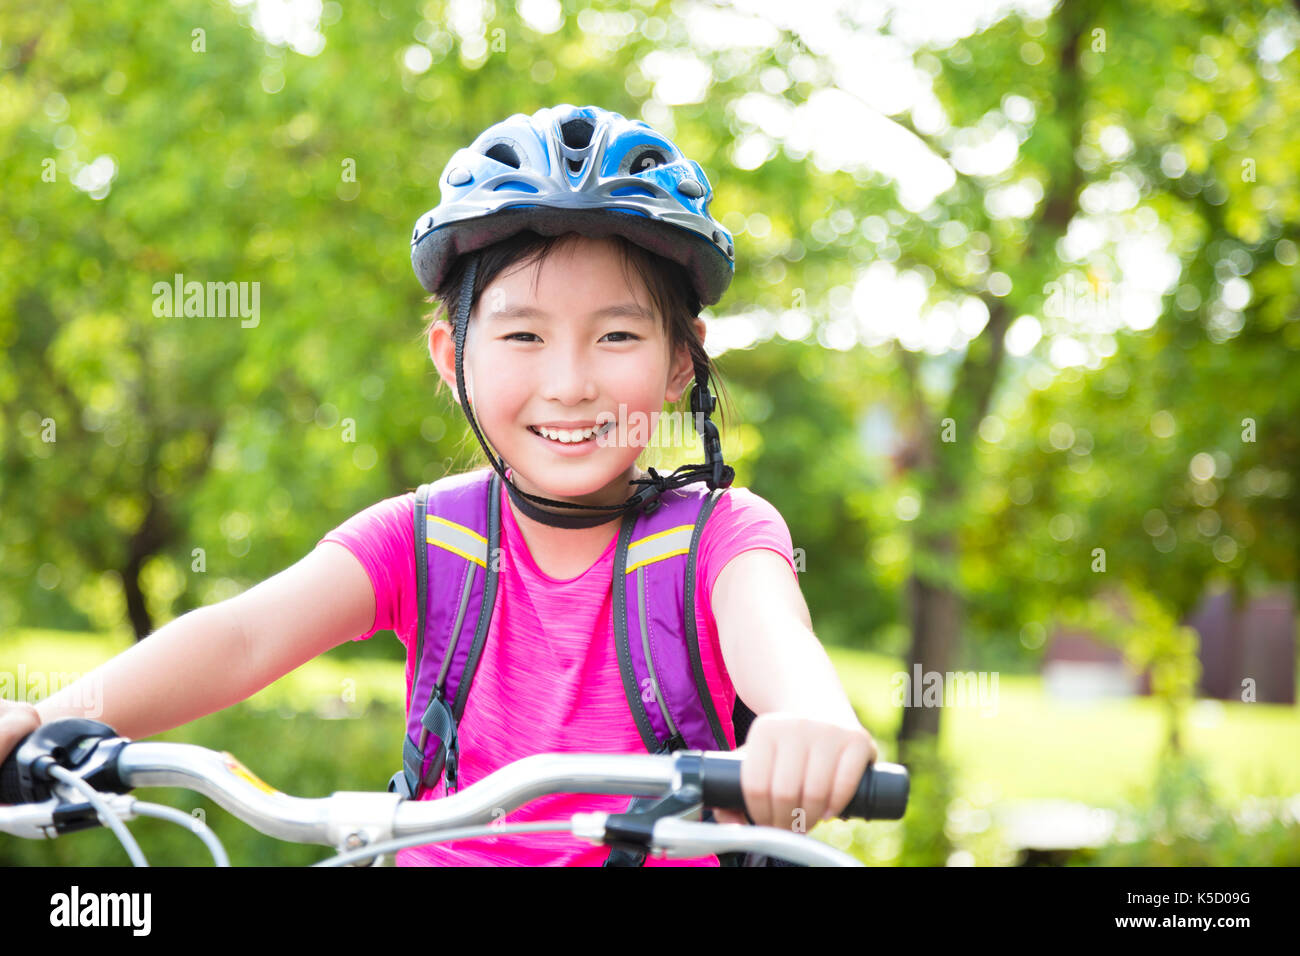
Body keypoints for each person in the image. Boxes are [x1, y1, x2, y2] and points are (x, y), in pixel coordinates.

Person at [0, 104, 877, 866]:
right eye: (523, 337)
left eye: (616, 337)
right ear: (451, 360)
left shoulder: (718, 538)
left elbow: (783, 651)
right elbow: (241, 638)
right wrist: (44, 718)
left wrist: (810, 726)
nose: (569, 382)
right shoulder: (425, 541)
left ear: (682, 363)